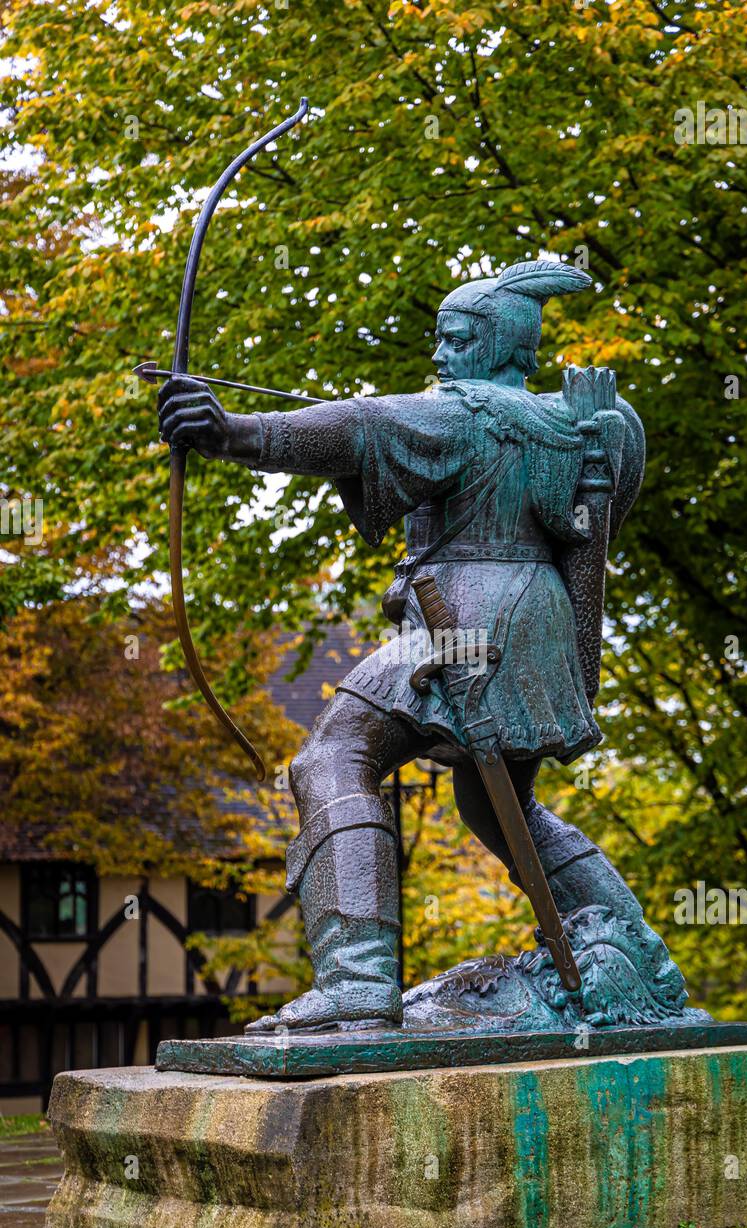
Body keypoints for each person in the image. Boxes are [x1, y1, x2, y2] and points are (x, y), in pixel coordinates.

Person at [158, 258, 689, 1033]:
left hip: (464, 619)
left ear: (501, 345)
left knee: (334, 758)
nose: (440, 354)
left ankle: (358, 981)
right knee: (496, 802)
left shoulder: (464, 413)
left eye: (457, 337)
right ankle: (632, 946)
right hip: (533, 624)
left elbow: (357, 425)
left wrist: (236, 432)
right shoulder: (572, 426)